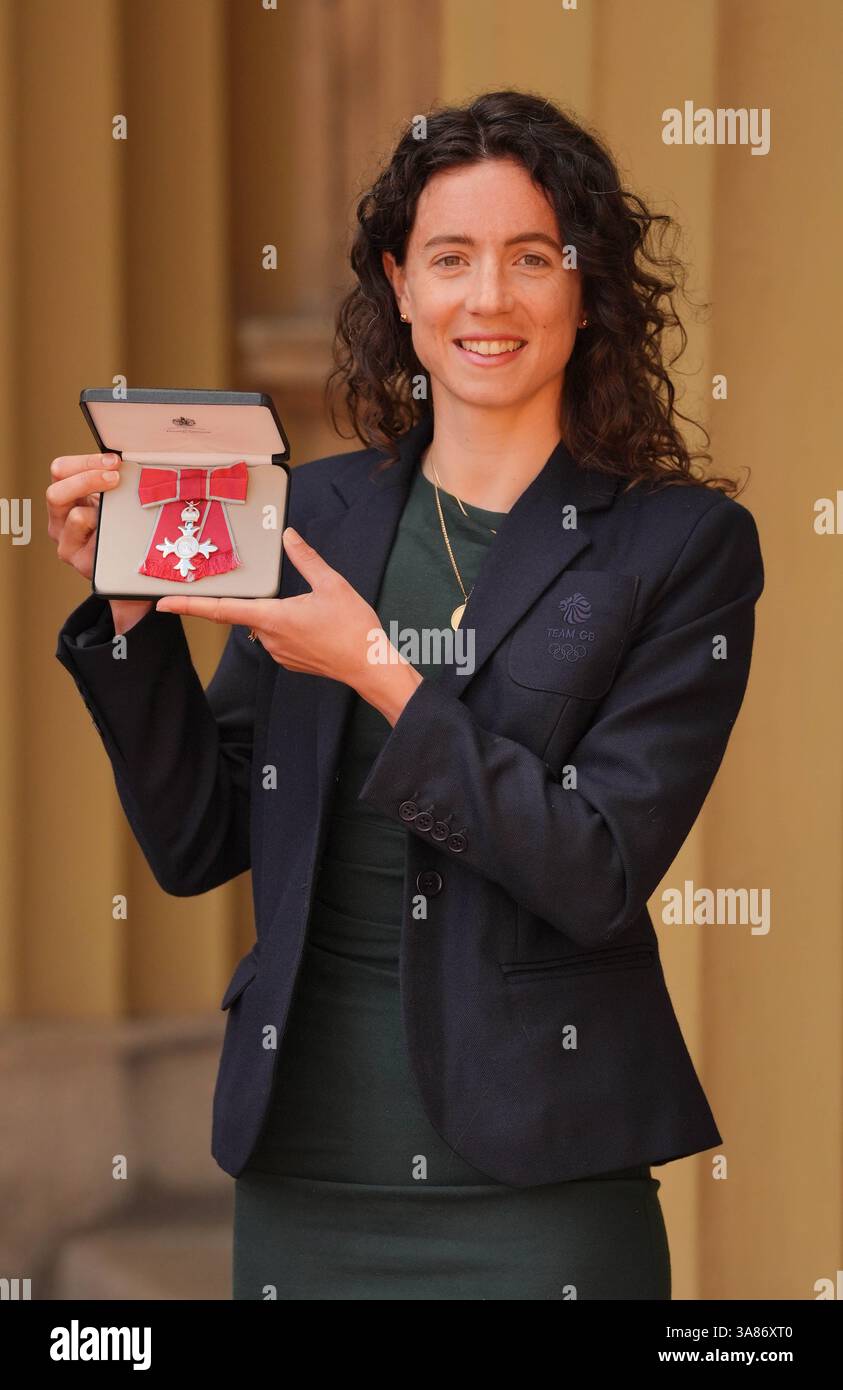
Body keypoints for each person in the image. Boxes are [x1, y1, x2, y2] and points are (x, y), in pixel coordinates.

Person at [48, 89, 764, 1300]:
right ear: (399, 285)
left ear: (585, 287)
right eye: (450, 259)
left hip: (541, 1190)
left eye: (531, 256)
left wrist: (377, 669)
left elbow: (591, 866)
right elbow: (198, 840)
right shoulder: (310, 513)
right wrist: (132, 620)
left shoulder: (681, 547)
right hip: (306, 1176)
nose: (488, 298)